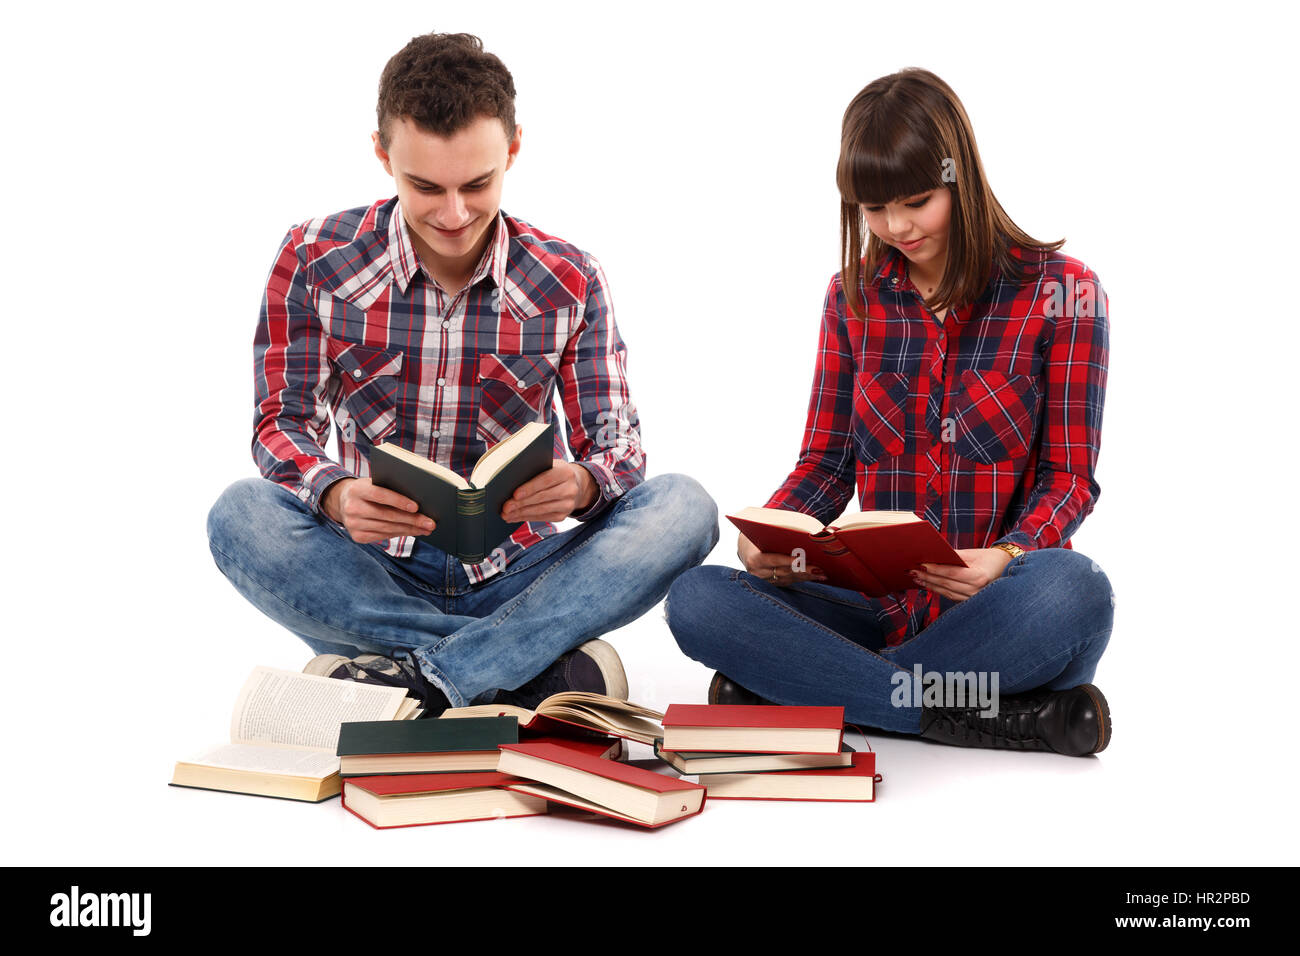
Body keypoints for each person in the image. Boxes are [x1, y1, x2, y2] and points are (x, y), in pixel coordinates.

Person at [207, 32, 718, 716]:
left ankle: (408, 677)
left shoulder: (570, 278)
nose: (454, 214)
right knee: (240, 516)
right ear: (383, 155)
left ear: (511, 151)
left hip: (526, 574)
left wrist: (582, 483)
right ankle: (525, 668)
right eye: (425, 186)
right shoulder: (312, 257)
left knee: (684, 508)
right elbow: (282, 425)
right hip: (374, 570)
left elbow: (620, 448)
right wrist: (334, 494)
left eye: (477, 184)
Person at [665, 68, 1113, 756]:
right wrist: (773, 534)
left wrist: (1004, 557)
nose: (897, 227)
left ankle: (812, 693)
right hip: (875, 611)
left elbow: (1069, 477)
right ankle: (978, 715)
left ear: (958, 179)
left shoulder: (1066, 292)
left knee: (1075, 591)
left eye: (916, 201)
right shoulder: (852, 297)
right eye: (874, 209)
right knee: (698, 598)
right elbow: (827, 463)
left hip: (995, 616)